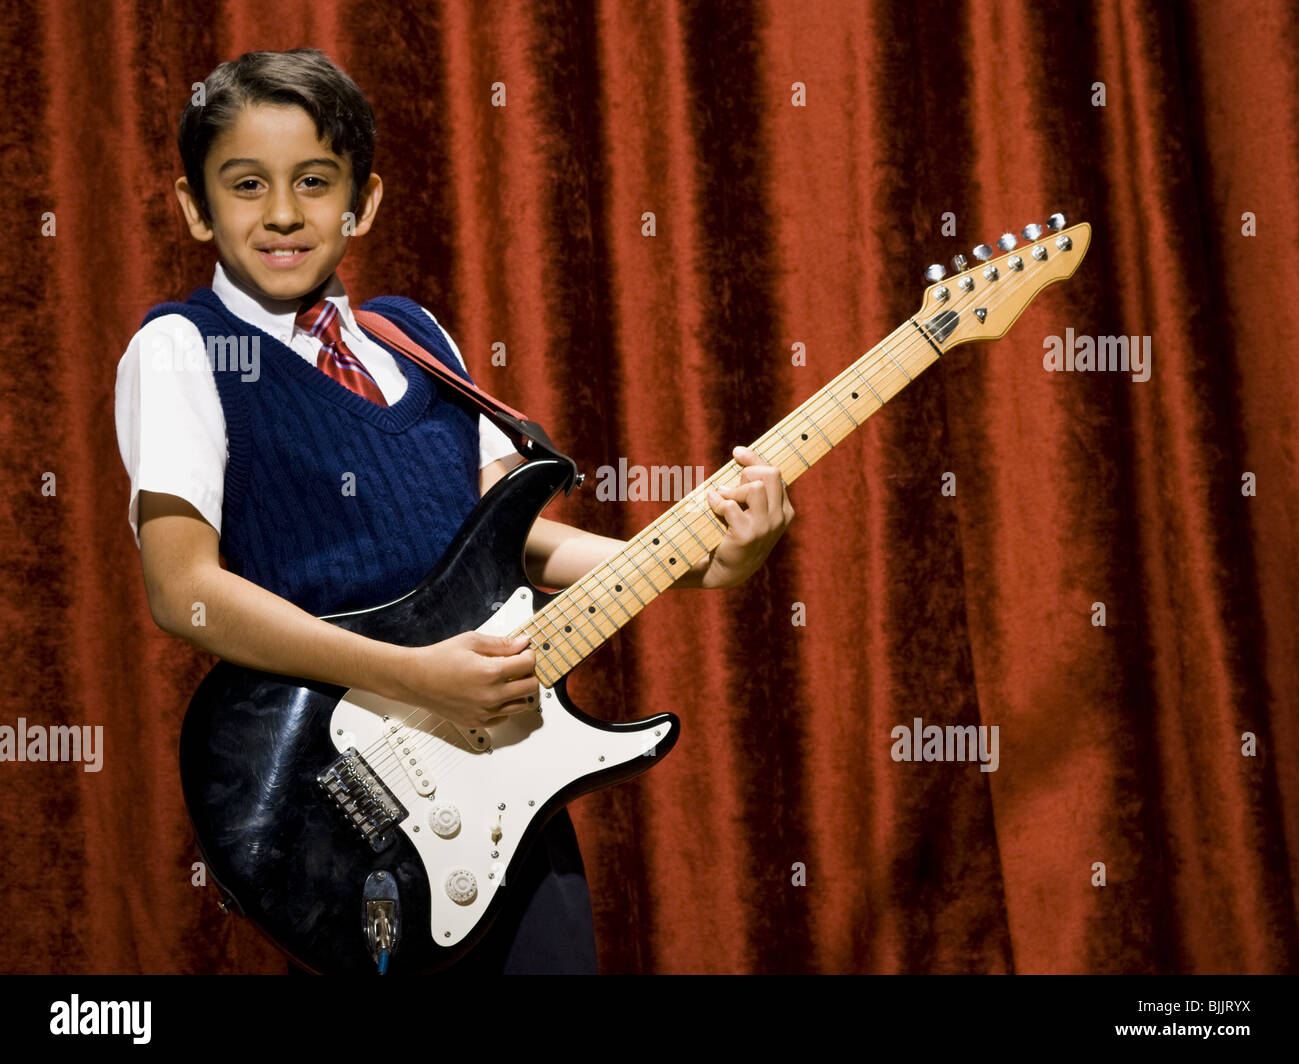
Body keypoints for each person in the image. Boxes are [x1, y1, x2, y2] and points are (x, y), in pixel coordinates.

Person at [114, 48, 793, 975]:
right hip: (346, 806)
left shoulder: (413, 334)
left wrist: (701, 558)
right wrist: (416, 674)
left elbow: (513, 543)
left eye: (315, 182)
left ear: (366, 201)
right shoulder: (180, 349)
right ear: (194, 205)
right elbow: (180, 590)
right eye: (245, 184)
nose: (282, 213)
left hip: (506, 779)